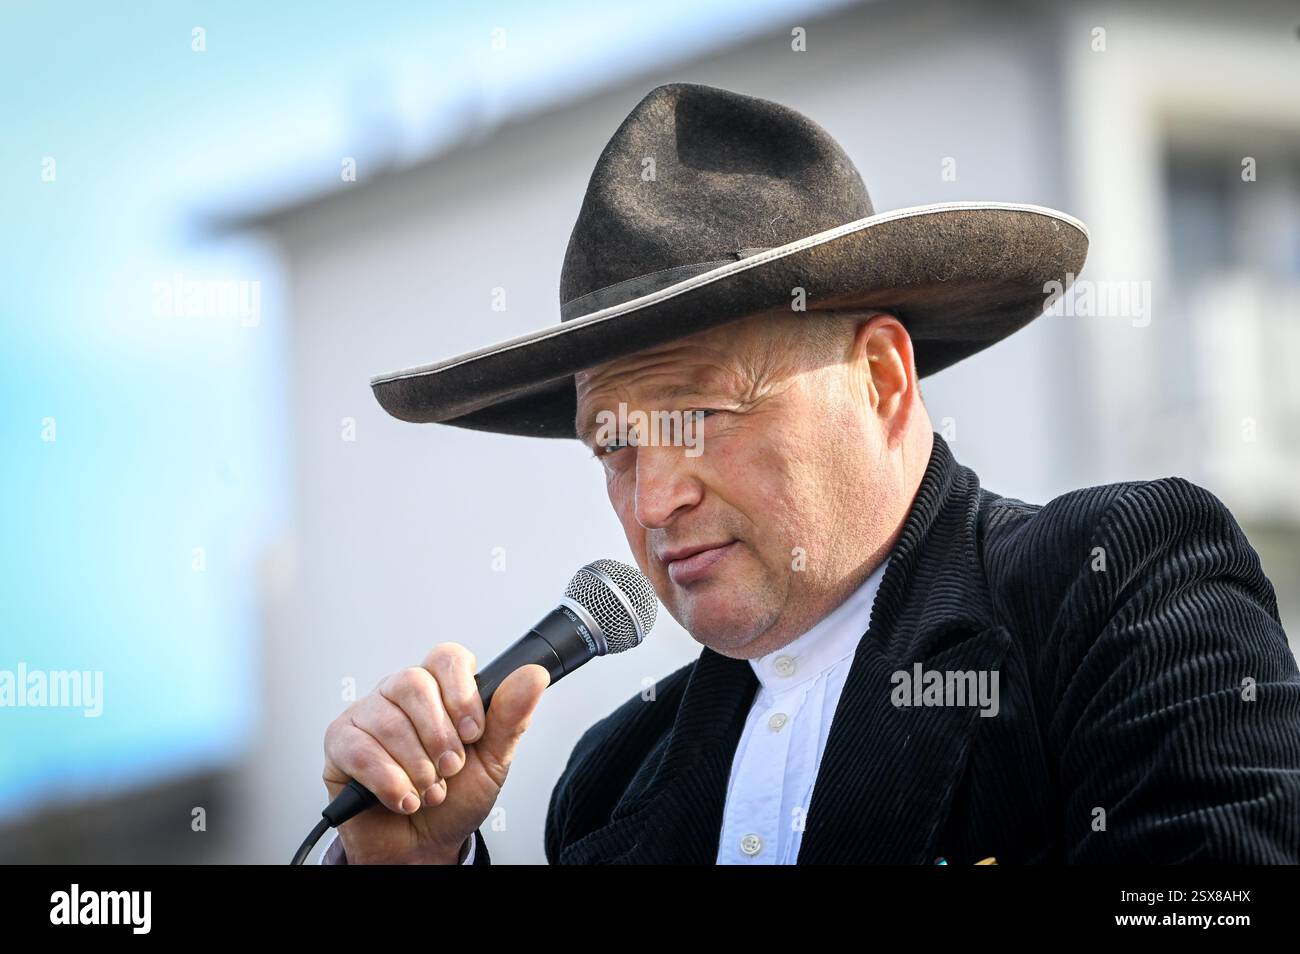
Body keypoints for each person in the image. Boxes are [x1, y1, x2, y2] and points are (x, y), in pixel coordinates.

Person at [319, 83, 1300, 865]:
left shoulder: (1108, 583)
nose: (654, 500)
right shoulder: (613, 778)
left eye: (698, 415)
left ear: (878, 377)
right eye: (613, 447)